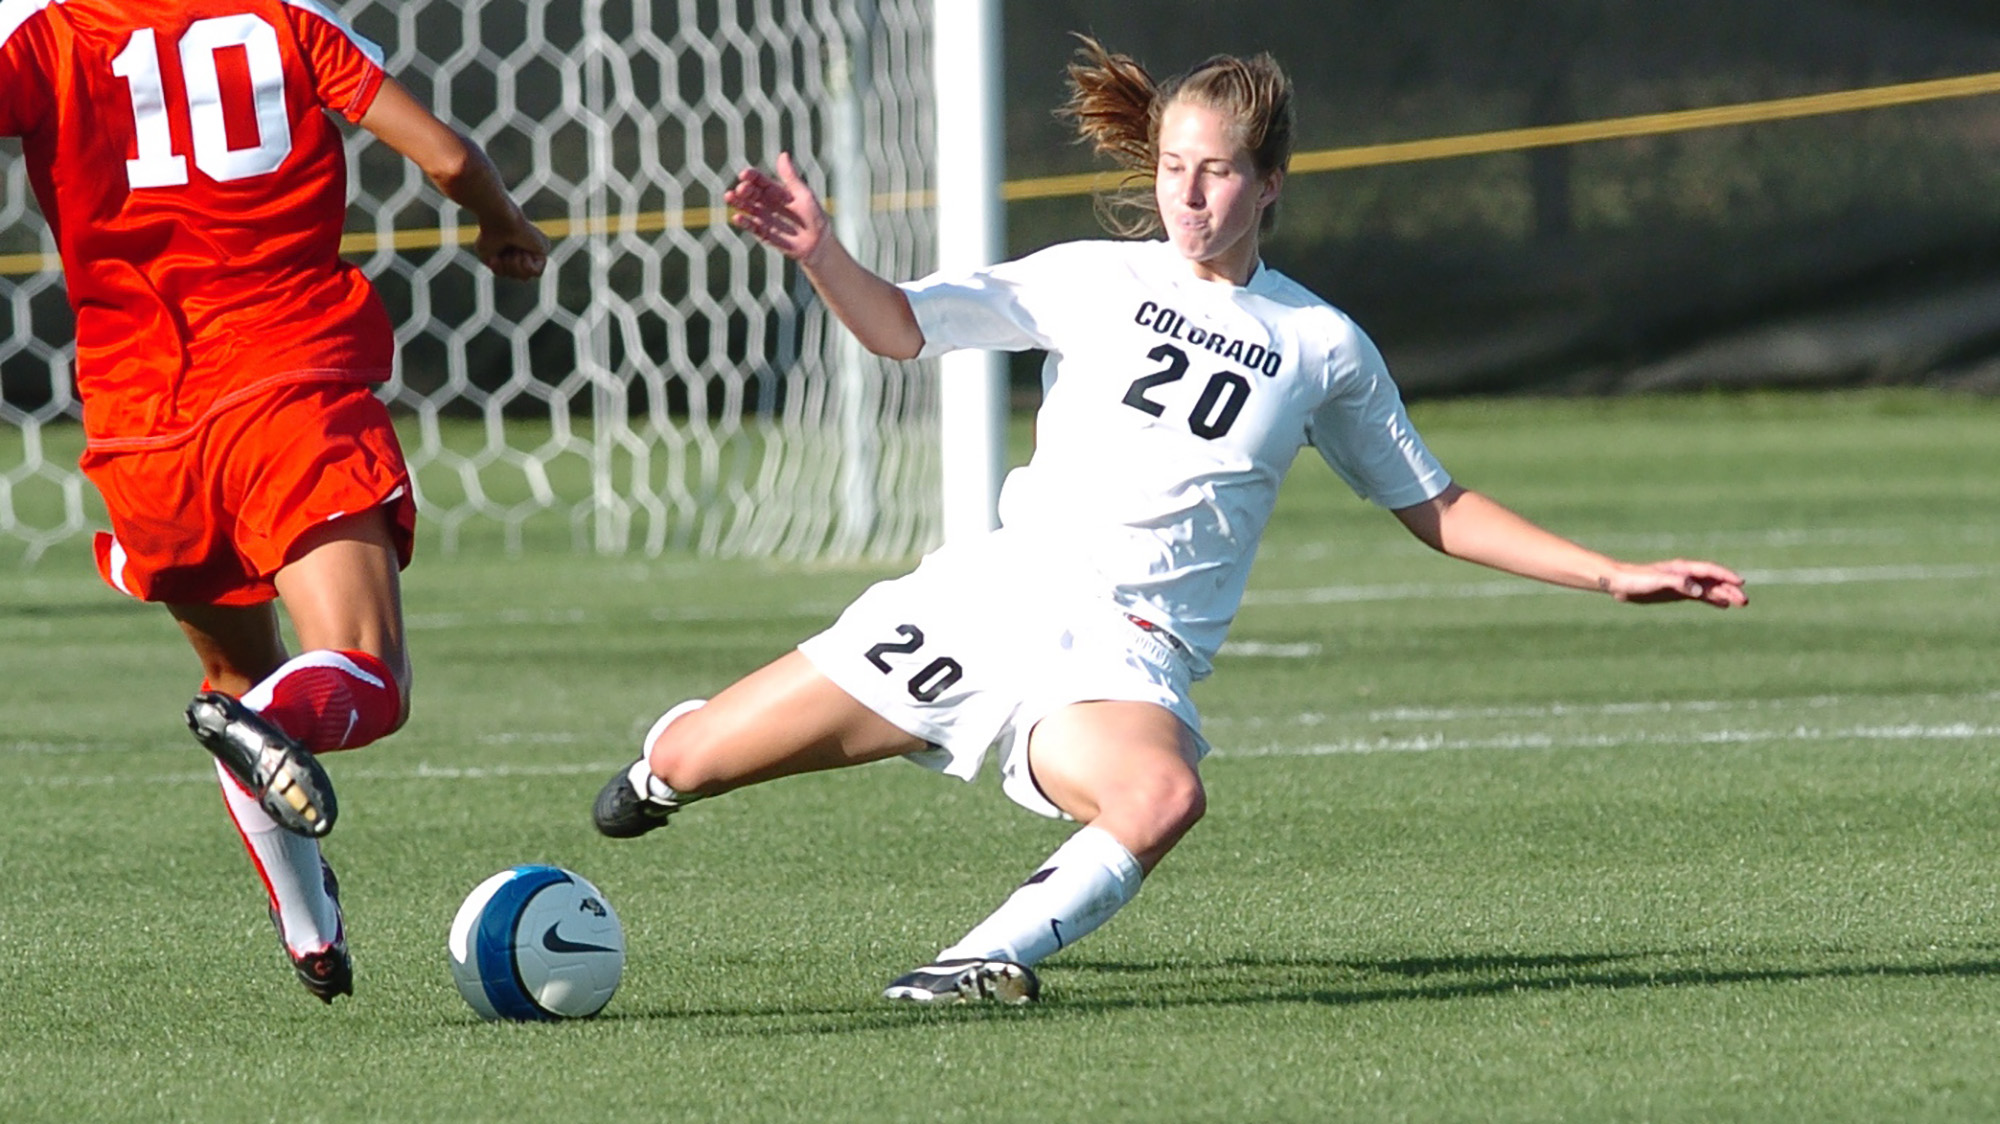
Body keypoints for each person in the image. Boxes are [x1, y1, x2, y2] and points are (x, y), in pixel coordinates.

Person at [593, 35, 1748, 1004]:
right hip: (993, 598)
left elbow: (1433, 504)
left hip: (1123, 651)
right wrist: (820, 252)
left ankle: (982, 956)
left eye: (1218, 173)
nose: (1188, 198)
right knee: (689, 761)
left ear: (1272, 181)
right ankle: (669, 759)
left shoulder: (1320, 346)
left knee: (1162, 794)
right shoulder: (1093, 277)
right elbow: (899, 327)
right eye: (1173, 169)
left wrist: (1609, 573)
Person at [0, 0, 548, 1003]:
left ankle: (310, 927)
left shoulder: (40, 31)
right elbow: (444, 154)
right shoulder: (287, 19)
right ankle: (271, 738)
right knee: (365, 676)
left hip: (142, 428)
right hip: (289, 391)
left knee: (234, 670)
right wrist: (501, 221)